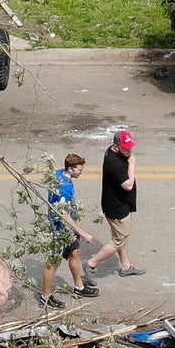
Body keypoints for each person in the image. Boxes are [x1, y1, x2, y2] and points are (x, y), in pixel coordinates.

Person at [39, 154, 101, 308]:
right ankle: (45, 297)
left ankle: (79, 287)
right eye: (79, 170)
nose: (81, 172)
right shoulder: (65, 187)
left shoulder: (59, 173)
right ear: (71, 169)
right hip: (59, 230)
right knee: (53, 262)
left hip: (66, 228)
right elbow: (64, 215)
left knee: (75, 252)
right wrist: (82, 233)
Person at [84, 131, 143, 277]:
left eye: (130, 147)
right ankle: (91, 264)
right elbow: (128, 185)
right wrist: (132, 165)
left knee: (121, 236)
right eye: (125, 148)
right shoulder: (115, 163)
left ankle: (126, 266)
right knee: (118, 240)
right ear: (116, 146)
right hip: (117, 207)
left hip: (116, 203)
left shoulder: (112, 151)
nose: (129, 151)